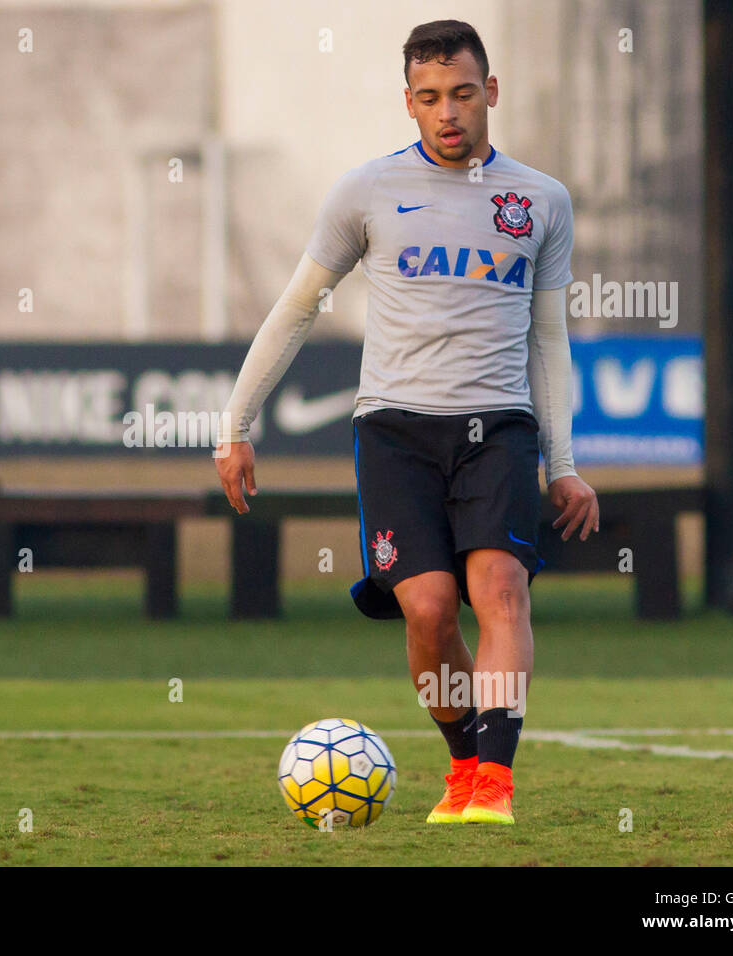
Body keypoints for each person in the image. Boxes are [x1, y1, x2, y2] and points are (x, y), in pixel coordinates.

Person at [215, 20, 598, 823]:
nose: (447, 112)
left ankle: (494, 782)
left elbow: (550, 336)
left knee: (499, 588)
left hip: (497, 428)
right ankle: (463, 764)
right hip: (396, 432)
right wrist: (236, 423)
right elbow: (295, 309)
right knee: (426, 610)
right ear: (409, 104)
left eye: (462, 93)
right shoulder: (365, 192)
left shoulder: (542, 200)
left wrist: (562, 462)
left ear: (490, 91)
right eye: (429, 98)